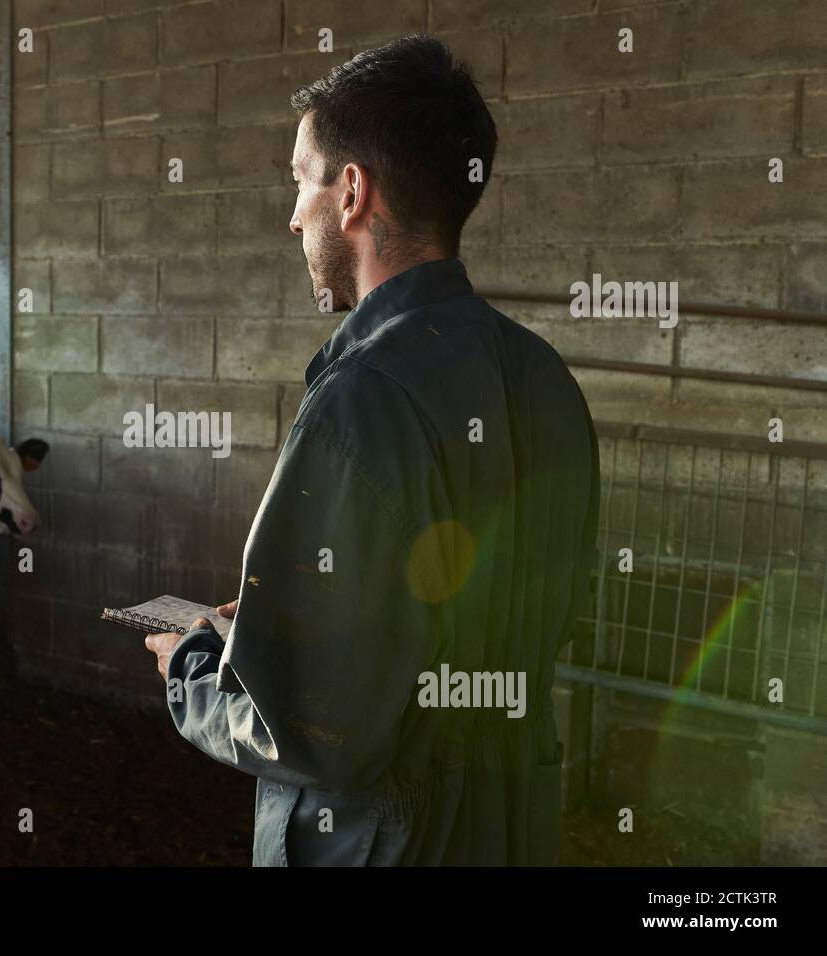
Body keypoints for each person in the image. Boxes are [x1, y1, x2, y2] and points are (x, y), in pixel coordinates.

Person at [142, 34, 601, 866]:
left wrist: (196, 667)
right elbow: (520, 617)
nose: (292, 215)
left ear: (351, 192)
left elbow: (311, 730)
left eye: (299, 180)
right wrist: (307, 617)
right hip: (513, 828)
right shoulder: (543, 376)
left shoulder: (362, 398)